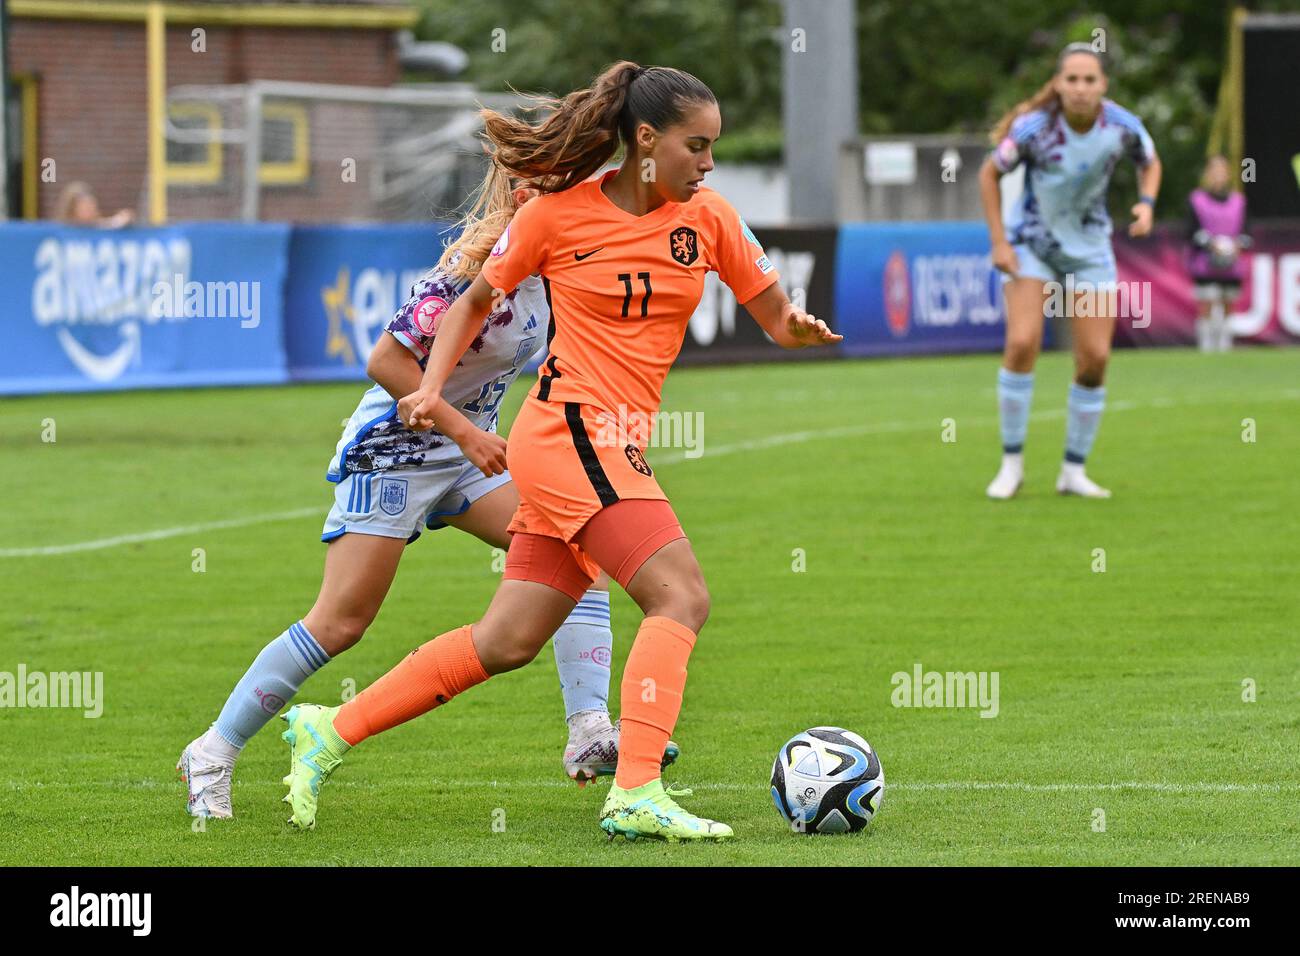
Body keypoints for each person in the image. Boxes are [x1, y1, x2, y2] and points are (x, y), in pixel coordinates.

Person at [278, 60, 841, 842]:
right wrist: (433, 392)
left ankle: (331, 729)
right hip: (573, 434)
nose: (709, 164)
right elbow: (472, 298)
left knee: (506, 640)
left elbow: (775, 317)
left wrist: (797, 328)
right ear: (646, 141)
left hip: (601, 443)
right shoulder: (556, 218)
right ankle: (635, 791)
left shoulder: (709, 218)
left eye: (713, 149)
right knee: (680, 596)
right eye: (696, 146)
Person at [178, 164, 677, 819]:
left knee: (577, 549)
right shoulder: (468, 276)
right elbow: (386, 360)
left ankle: (589, 734)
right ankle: (213, 751)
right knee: (341, 622)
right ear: (527, 201)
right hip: (396, 454)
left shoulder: (549, 265)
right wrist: (467, 434)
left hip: (472, 453)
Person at [979, 42, 1162, 500]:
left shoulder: (1121, 126)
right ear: (1058, 85)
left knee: (1095, 360)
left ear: (1103, 86)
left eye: (1090, 80)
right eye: (1072, 80)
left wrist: (1147, 204)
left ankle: (1073, 471)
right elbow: (989, 173)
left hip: (1089, 249)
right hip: (1032, 244)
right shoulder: (1033, 128)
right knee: (1022, 343)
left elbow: (1150, 162)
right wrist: (999, 241)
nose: (1080, 89)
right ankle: (1011, 465)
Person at [1186, 155, 1250, 352]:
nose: (1218, 175)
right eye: (1214, 170)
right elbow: (1190, 231)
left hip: (1231, 264)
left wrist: (1237, 245)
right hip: (1205, 263)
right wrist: (1211, 244)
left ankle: (1225, 346)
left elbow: (1247, 232)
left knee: (1227, 304)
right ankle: (1206, 347)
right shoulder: (1197, 199)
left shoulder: (1239, 201)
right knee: (1207, 304)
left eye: (1222, 170)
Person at [55, 181, 135, 227]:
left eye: (92, 206)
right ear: (72, 210)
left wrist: (121, 219)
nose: (91, 211)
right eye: (85, 208)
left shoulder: (97, 227)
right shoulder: (61, 231)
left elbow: (112, 223)